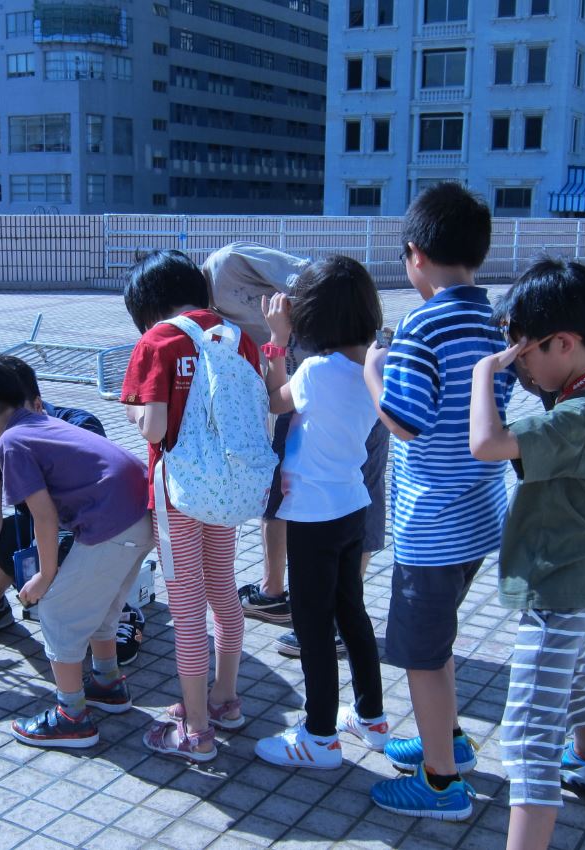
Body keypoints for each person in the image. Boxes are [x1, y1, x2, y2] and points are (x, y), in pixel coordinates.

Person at [469, 258, 585, 850]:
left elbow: (487, 443)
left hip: (558, 586)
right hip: (581, 573)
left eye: (524, 352)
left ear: (562, 343)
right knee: (578, 676)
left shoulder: (580, 415)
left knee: (526, 738)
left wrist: (484, 374)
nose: (521, 366)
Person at [364, 182, 514, 820]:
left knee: (421, 655)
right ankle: (446, 739)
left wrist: (375, 367)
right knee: (439, 641)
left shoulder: (424, 324)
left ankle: (439, 782)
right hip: (480, 515)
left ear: (414, 253)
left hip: (430, 526)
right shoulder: (492, 317)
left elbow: (404, 420)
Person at [0, 354, 153, 749]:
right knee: (104, 606)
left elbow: (43, 517)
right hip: (141, 516)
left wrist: (45, 575)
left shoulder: (11, 441)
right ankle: (107, 684)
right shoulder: (43, 423)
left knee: (58, 611)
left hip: (112, 523)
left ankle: (71, 716)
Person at [202, 243, 391, 655]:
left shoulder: (226, 266)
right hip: (329, 390)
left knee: (316, 610)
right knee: (315, 490)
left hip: (311, 385)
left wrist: (278, 340)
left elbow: (311, 277)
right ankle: (305, 607)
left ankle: (327, 628)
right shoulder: (377, 368)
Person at [252, 256, 390, 770]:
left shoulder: (315, 370)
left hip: (312, 515)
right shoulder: (373, 365)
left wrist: (278, 339)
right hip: (353, 505)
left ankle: (319, 736)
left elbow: (274, 398)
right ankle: (372, 719)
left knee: (312, 626)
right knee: (351, 614)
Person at [121, 249, 258, 762]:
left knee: (186, 606)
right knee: (224, 592)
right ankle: (225, 699)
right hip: (226, 491)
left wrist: (137, 415)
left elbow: (154, 427)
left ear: (146, 306)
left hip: (178, 496)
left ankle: (196, 731)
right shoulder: (235, 336)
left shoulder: (157, 340)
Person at [202, 242, 308, 625]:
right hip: (289, 388)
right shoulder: (207, 324)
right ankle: (273, 592)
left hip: (329, 371)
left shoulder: (226, 262)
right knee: (276, 492)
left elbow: (307, 275)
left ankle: (327, 614)